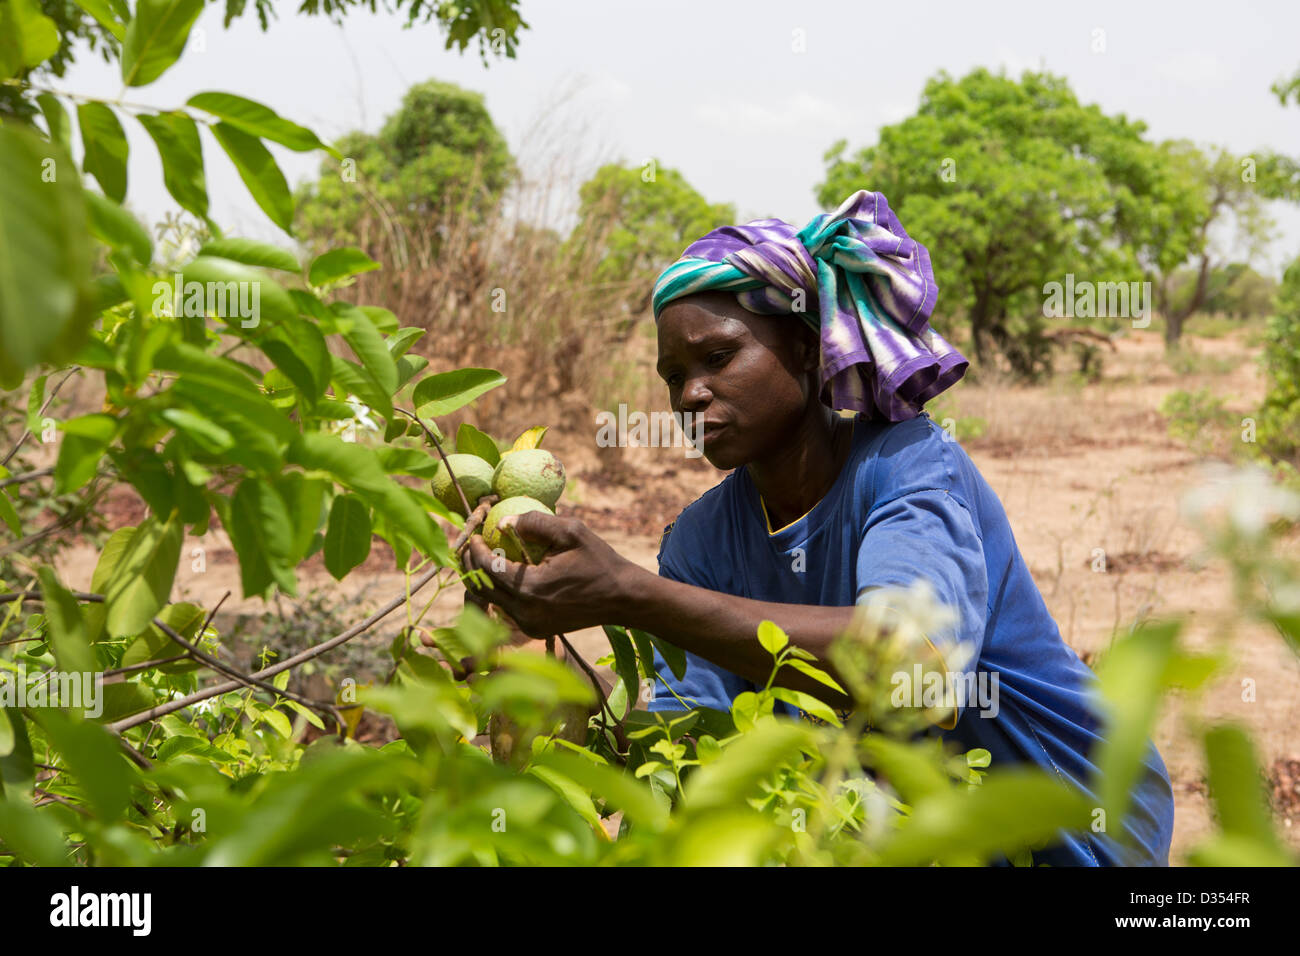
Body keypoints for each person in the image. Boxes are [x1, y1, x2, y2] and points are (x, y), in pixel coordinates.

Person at [463, 189, 1175, 866]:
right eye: (672, 376)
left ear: (807, 348)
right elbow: (695, 757)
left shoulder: (908, 465)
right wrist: (542, 678)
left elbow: (913, 670)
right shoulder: (700, 543)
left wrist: (627, 594)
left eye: (718, 357)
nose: (691, 394)